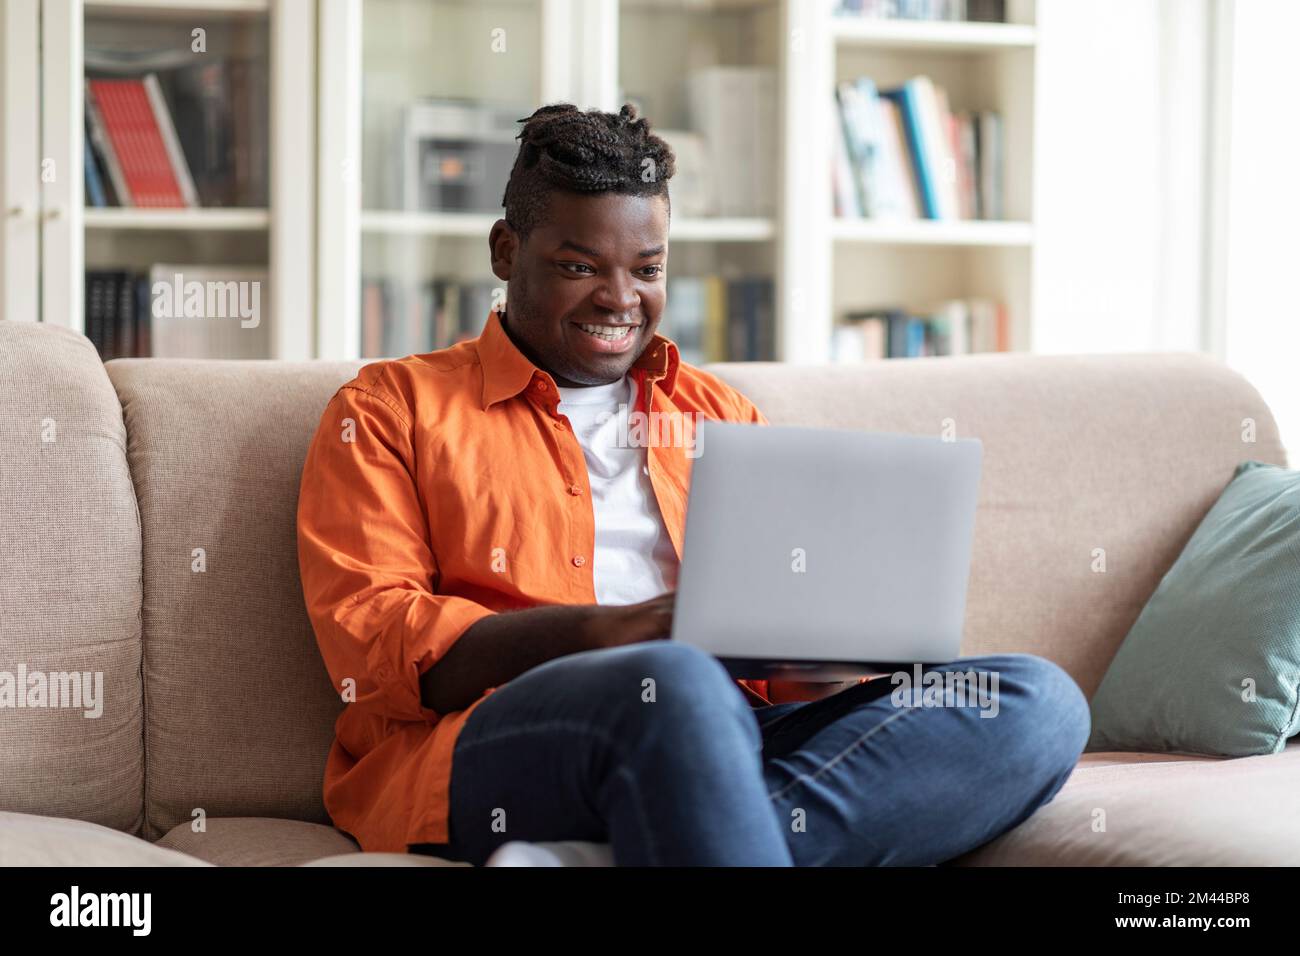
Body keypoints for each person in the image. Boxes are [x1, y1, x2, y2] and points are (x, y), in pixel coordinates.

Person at [296, 102, 1090, 866]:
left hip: (727, 730)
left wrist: (821, 650)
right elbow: (377, 650)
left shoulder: (717, 413)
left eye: (647, 269)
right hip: (491, 744)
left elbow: (779, 669)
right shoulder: (388, 409)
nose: (619, 299)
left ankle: (646, 844)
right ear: (507, 251)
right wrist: (611, 634)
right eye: (579, 266)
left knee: (1032, 701)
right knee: (671, 681)